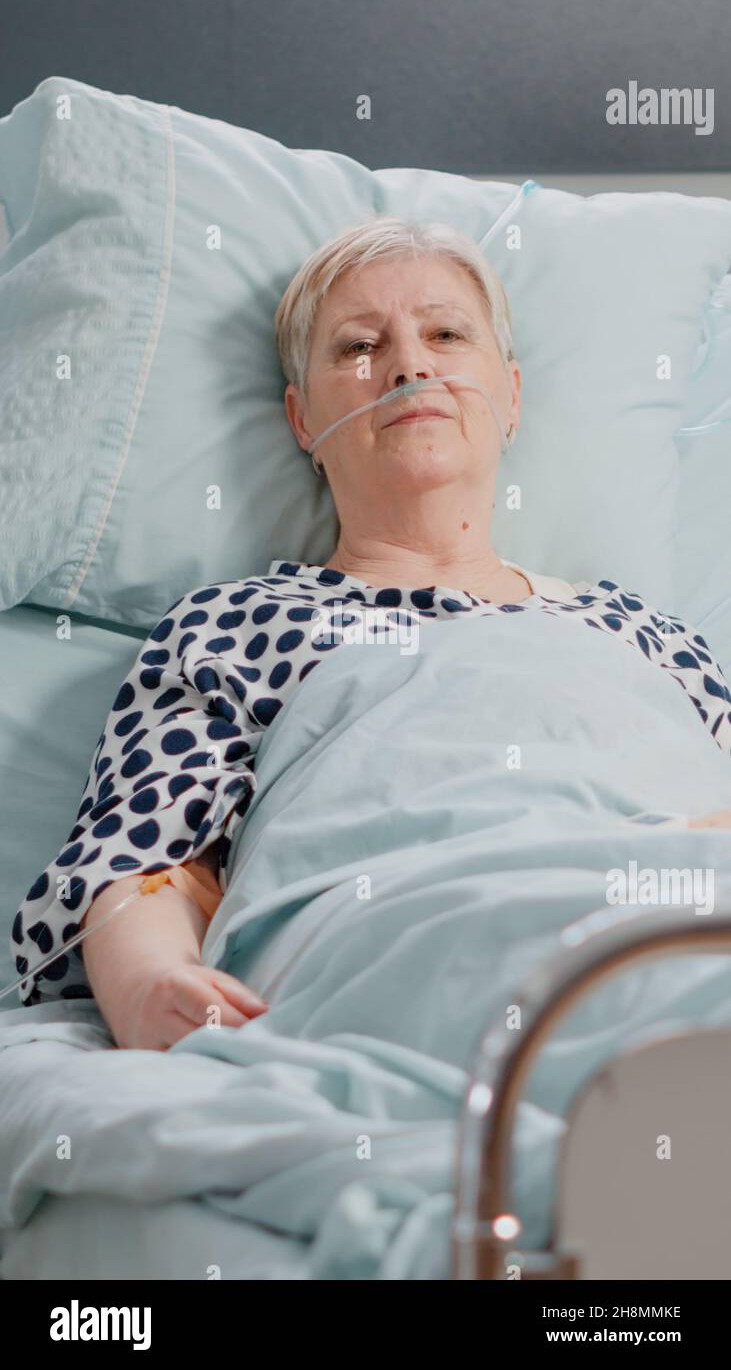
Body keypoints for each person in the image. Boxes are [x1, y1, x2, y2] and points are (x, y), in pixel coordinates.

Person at [11, 215, 731, 1051]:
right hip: (401, 931)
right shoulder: (233, 628)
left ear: (513, 396)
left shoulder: (644, 632)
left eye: (446, 333)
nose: (408, 364)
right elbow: (141, 860)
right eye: (358, 348)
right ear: (300, 419)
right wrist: (148, 986)